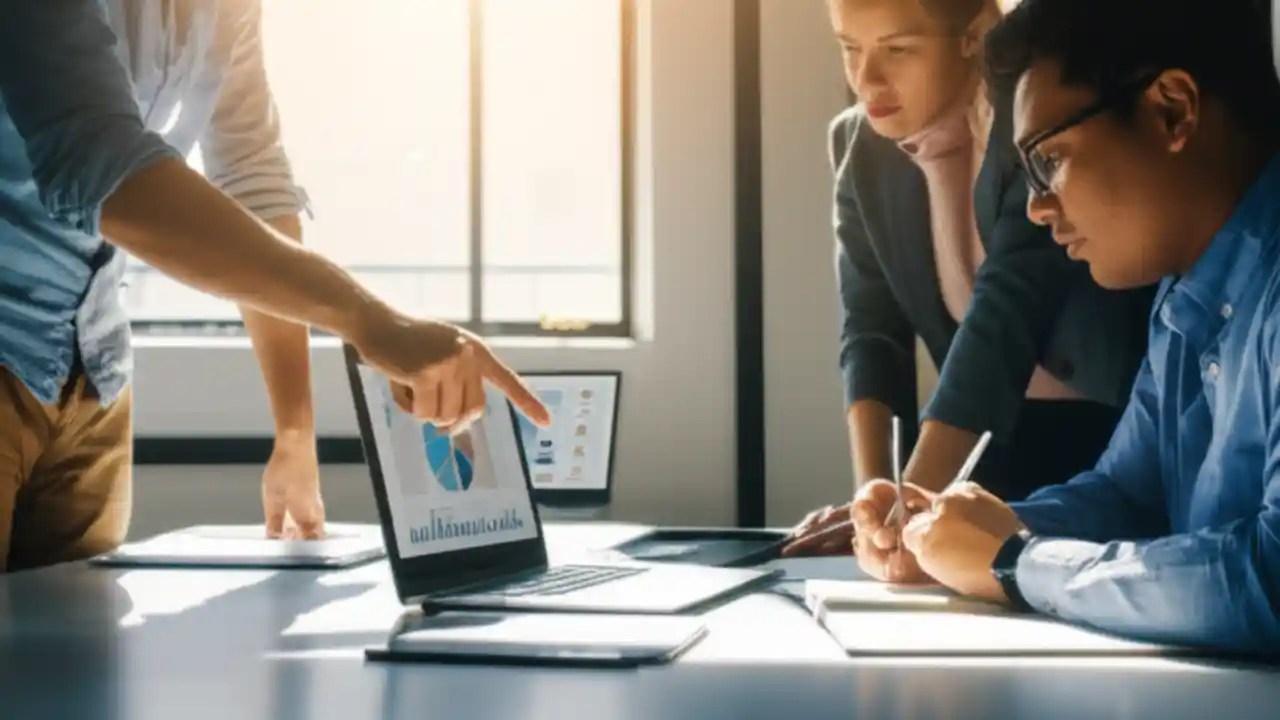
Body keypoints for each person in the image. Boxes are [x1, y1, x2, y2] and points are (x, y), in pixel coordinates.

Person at [0, 0, 549, 572]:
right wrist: (370, 320)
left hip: (94, 373)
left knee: (68, 650)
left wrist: (294, 430)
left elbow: (250, 175)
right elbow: (100, 167)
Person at [896, 0, 1280, 654]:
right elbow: (1128, 496)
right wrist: (945, 531)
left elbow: (1269, 580)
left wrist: (1016, 563)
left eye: (1049, 160)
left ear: (1172, 111)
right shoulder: (1183, 293)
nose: (1038, 208)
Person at [783, 0, 1154, 577]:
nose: (866, 79)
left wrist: (912, 501)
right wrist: (876, 505)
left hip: (1109, 440)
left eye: (897, 49)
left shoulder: (1031, 124)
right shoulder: (858, 145)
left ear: (975, 34)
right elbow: (870, 332)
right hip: (980, 443)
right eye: (849, 48)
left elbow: (1004, 314)